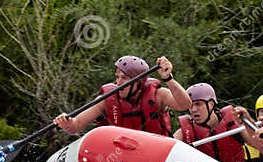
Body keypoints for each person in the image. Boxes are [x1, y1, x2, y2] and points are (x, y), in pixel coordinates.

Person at [53, 55, 191, 135]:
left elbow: (185, 104)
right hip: (121, 159)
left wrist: (168, 79)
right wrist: (66, 123)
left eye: (124, 78)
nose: (118, 82)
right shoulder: (107, 100)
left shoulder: (158, 95)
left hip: (156, 156)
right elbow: (75, 126)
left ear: (138, 82)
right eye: (117, 77)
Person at [173, 83, 252, 162]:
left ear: (211, 104)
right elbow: (166, 149)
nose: (193, 109)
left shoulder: (233, 122)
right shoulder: (185, 132)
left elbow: (257, 144)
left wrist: (249, 123)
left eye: (198, 104)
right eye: (190, 106)